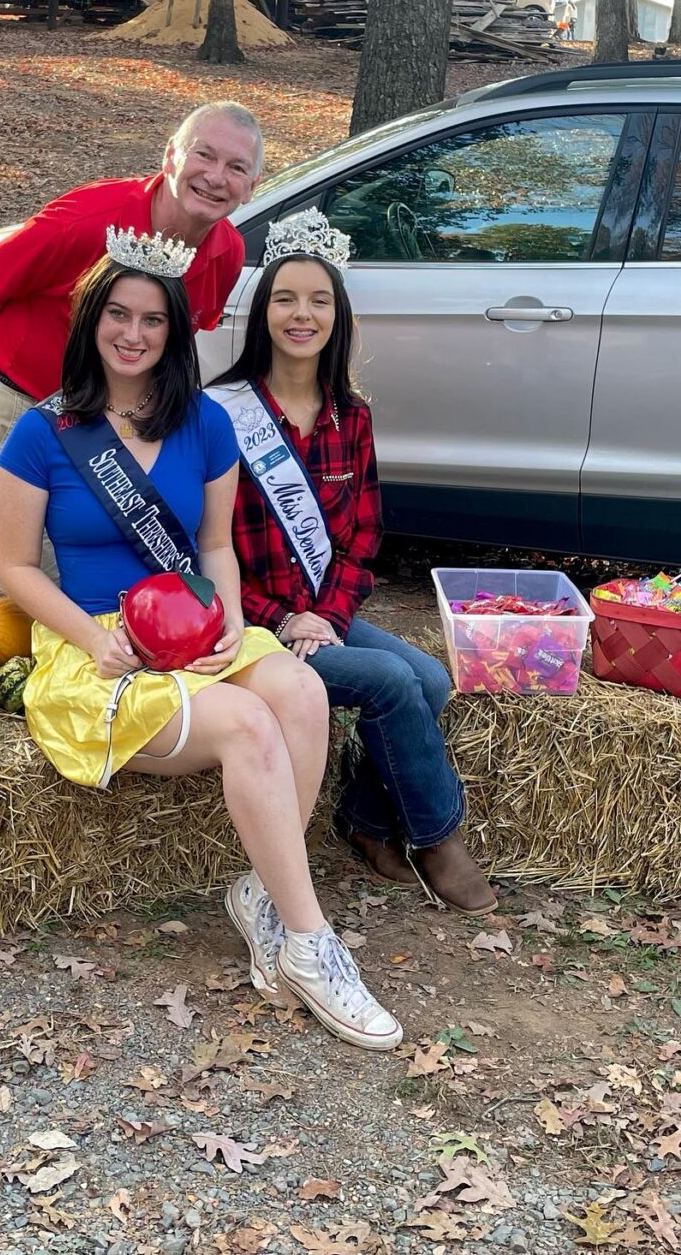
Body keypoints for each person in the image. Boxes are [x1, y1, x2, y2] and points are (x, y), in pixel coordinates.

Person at [0, 228, 403, 1051]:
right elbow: (15, 569)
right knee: (248, 726)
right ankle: (310, 945)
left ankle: (261, 893)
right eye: (118, 315)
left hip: (195, 624)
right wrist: (90, 638)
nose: (134, 334)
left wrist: (229, 625)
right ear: (92, 322)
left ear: (176, 333)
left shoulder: (206, 424)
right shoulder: (43, 433)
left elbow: (215, 547)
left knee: (299, 688)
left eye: (153, 319)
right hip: (95, 642)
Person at [209, 210, 497, 916]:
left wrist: (326, 616)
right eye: (284, 298)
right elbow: (203, 547)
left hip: (318, 618)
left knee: (427, 677)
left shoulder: (351, 416)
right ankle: (436, 837)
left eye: (318, 300)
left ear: (337, 317)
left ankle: (366, 823)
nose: (300, 314)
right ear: (262, 313)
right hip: (247, 623)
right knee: (392, 684)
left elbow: (363, 538)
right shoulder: (219, 414)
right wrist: (287, 620)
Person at [0, 102, 263, 588]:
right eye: (204, 155)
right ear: (170, 156)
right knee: (24, 566)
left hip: (126, 416)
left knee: (114, 560)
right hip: (30, 400)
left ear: (252, 185)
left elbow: (178, 336)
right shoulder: (87, 219)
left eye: (236, 168)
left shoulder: (227, 252)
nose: (216, 177)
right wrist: (27, 356)